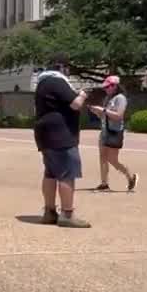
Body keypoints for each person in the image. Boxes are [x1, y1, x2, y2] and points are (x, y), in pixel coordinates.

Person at [33, 53, 91, 228]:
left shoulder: (42, 83)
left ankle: (49, 211)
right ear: (62, 67)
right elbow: (75, 104)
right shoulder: (57, 81)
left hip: (45, 134)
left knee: (50, 173)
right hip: (61, 134)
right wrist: (82, 94)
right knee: (67, 173)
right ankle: (67, 214)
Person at [89, 75, 139, 192]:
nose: (106, 89)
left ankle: (130, 176)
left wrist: (103, 110)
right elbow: (104, 116)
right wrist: (97, 112)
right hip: (105, 131)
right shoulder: (108, 99)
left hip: (114, 132)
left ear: (115, 86)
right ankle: (104, 183)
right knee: (102, 157)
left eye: (108, 86)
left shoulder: (120, 98)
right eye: (105, 87)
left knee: (112, 159)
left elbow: (118, 116)